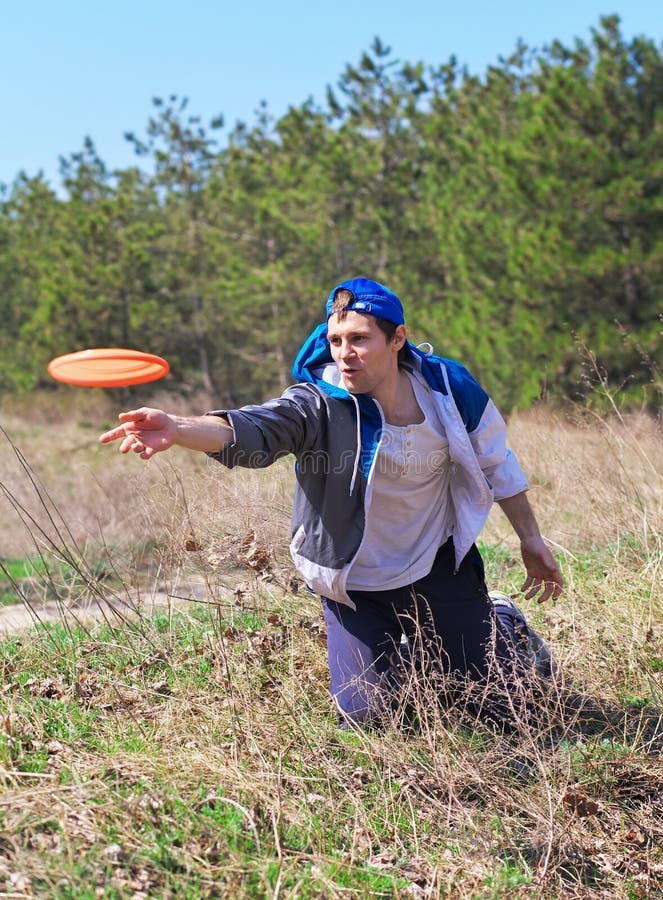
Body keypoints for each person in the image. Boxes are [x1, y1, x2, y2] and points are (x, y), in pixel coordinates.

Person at [100, 277, 563, 728]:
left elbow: (496, 461)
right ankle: (409, 652)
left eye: (359, 338)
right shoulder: (318, 402)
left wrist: (531, 538)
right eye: (336, 339)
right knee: (366, 716)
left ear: (397, 338)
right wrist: (180, 429)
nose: (345, 352)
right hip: (353, 582)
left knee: (505, 708)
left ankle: (499, 618)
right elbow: (257, 427)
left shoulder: (448, 389)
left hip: (435, 566)